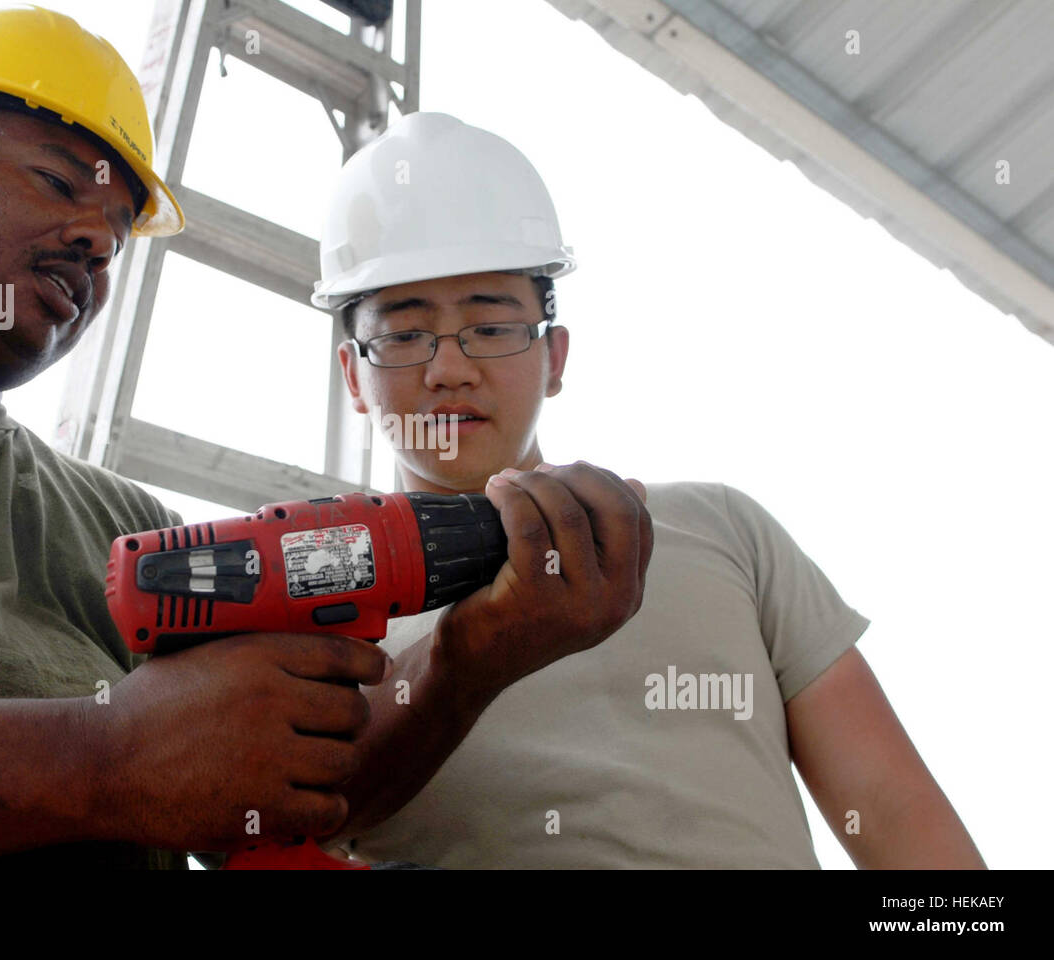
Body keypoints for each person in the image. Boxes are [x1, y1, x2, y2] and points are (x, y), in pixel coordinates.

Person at [0, 6, 393, 869]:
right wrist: (99, 757)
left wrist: (480, 653)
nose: (95, 244)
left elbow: (312, 786)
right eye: (58, 184)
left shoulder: (140, 530)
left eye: (116, 237)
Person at [318, 111, 986, 869]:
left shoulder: (722, 531)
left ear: (556, 356)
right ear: (354, 378)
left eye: (492, 325)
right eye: (405, 334)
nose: (450, 368)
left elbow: (894, 809)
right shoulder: (328, 635)